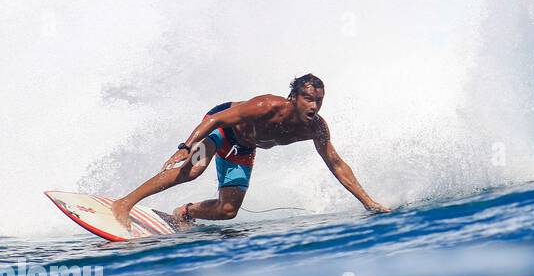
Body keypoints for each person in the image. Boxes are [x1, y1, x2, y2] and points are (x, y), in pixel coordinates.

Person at [111, 73, 389, 230]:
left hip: (242, 145)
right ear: (293, 98)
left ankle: (184, 213)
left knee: (228, 210)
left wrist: (368, 202)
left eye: (318, 100)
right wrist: (186, 146)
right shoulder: (266, 106)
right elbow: (215, 120)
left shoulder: (315, 128)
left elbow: (336, 164)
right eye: (308, 99)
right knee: (194, 169)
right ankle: (123, 204)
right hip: (221, 126)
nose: (314, 106)